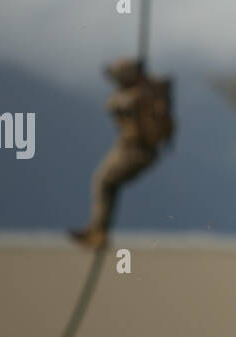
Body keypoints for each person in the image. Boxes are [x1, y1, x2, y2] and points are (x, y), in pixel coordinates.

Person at [69, 57, 175, 249]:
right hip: (132, 148)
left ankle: (98, 232)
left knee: (103, 181)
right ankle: (98, 229)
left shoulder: (136, 96)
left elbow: (115, 104)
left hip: (136, 150)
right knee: (106, 182)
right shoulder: (149, 91)